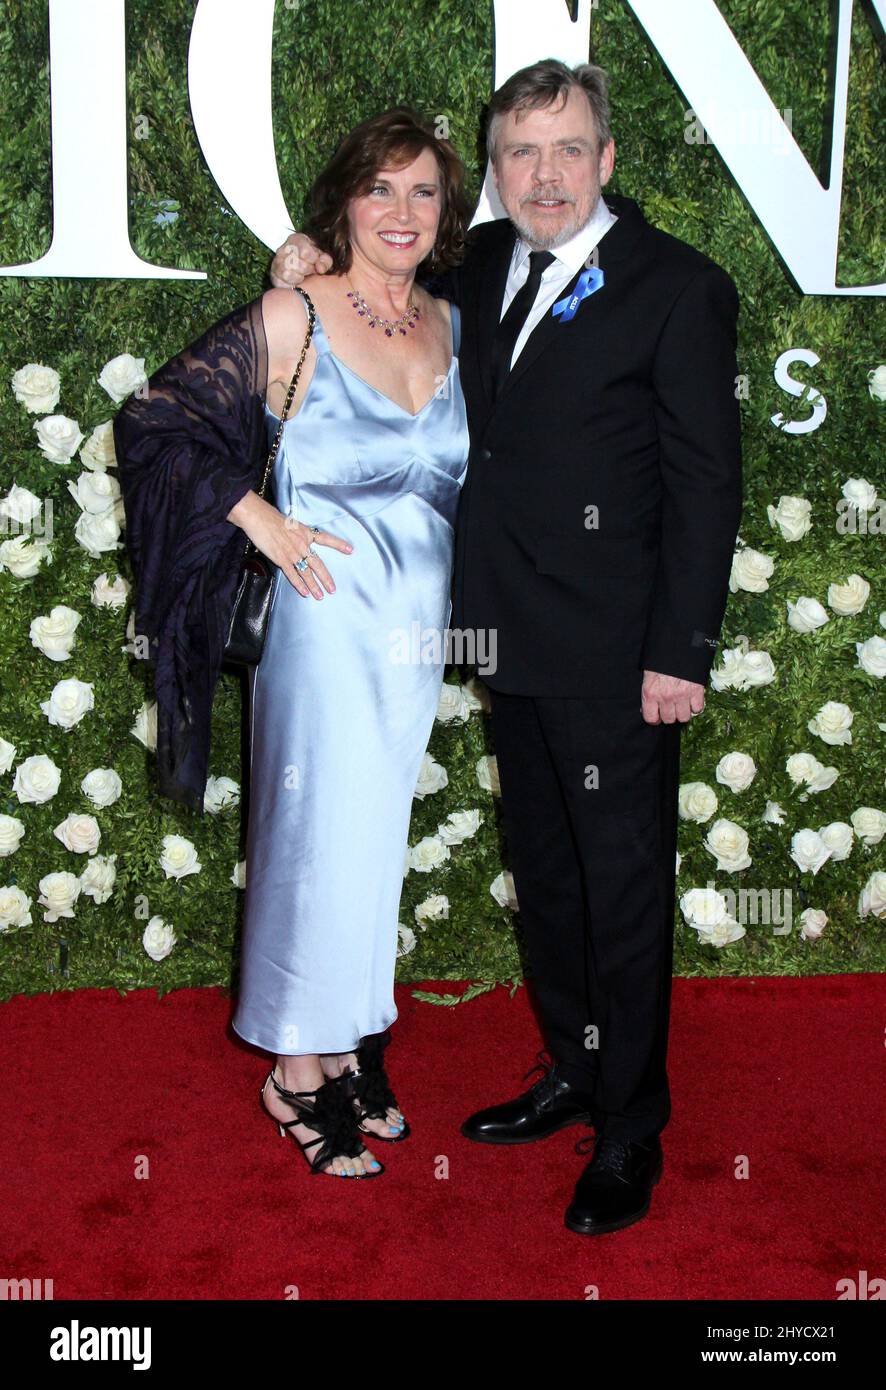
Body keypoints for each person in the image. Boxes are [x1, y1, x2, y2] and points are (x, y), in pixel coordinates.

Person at [270, 59, 743, 1228]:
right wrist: (299, 257)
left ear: (607, 161)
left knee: (623, 893)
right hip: (504, 643)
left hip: (621, 654)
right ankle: (573, 1068)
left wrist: (679, 650)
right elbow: (364, 279)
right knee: (549, 881)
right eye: (520, 153)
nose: (544, 175)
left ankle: (630, 1127)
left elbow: (705, 483)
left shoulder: (680, 288)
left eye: (567, 149)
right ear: (495, 170)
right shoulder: (474, 265)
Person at [114, 107, 470, 1180]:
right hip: (321, 621)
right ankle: (294, 1071)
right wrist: (256, 517)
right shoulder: (293, 314)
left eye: (421, 192)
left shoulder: (454, 324)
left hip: (417, 633)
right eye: (380, 189)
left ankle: (348, 1039)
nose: (400, 212)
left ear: (446, 211)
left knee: (369, 847)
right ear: (343, 203)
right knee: (312, 838)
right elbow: (153, 422)